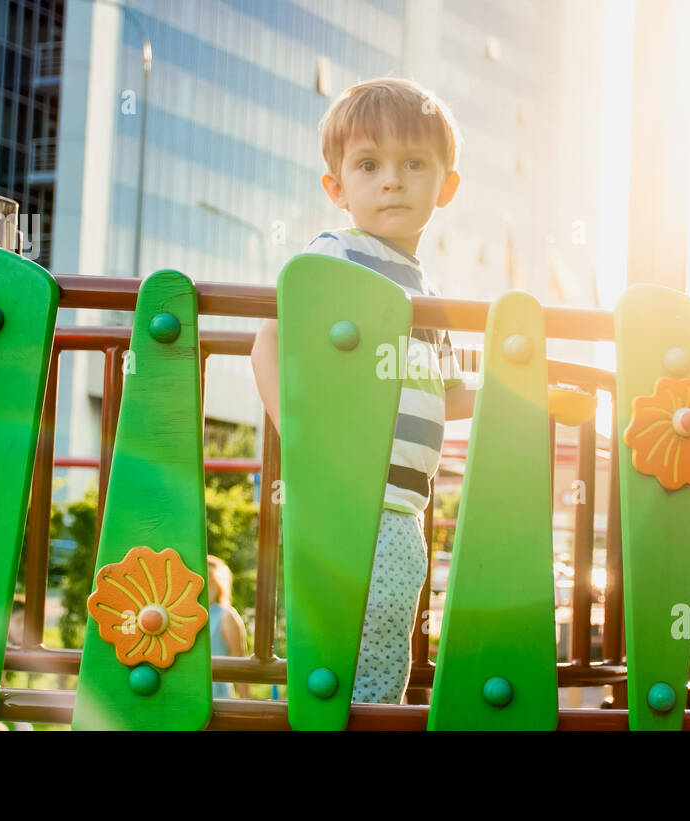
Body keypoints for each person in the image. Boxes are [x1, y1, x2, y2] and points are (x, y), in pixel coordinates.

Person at [250, 77, 476, 704]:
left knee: (385, 639)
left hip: (403, 502)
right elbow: (268, 341)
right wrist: (296, 436)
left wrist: (523, 392)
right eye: (369, 164)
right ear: (337, 188)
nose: (392, 181)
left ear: (446, 186)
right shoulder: (336, 254)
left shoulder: (431, 294)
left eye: (413, 164)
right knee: (344, 647)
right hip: (346, 489)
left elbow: (451, 394)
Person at [207, 555, 251, 699]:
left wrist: (247, 707)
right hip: (190, 698)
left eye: (210, 579)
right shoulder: (186, 617)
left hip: (218, 699)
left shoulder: (226, 616)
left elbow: (240, 667)